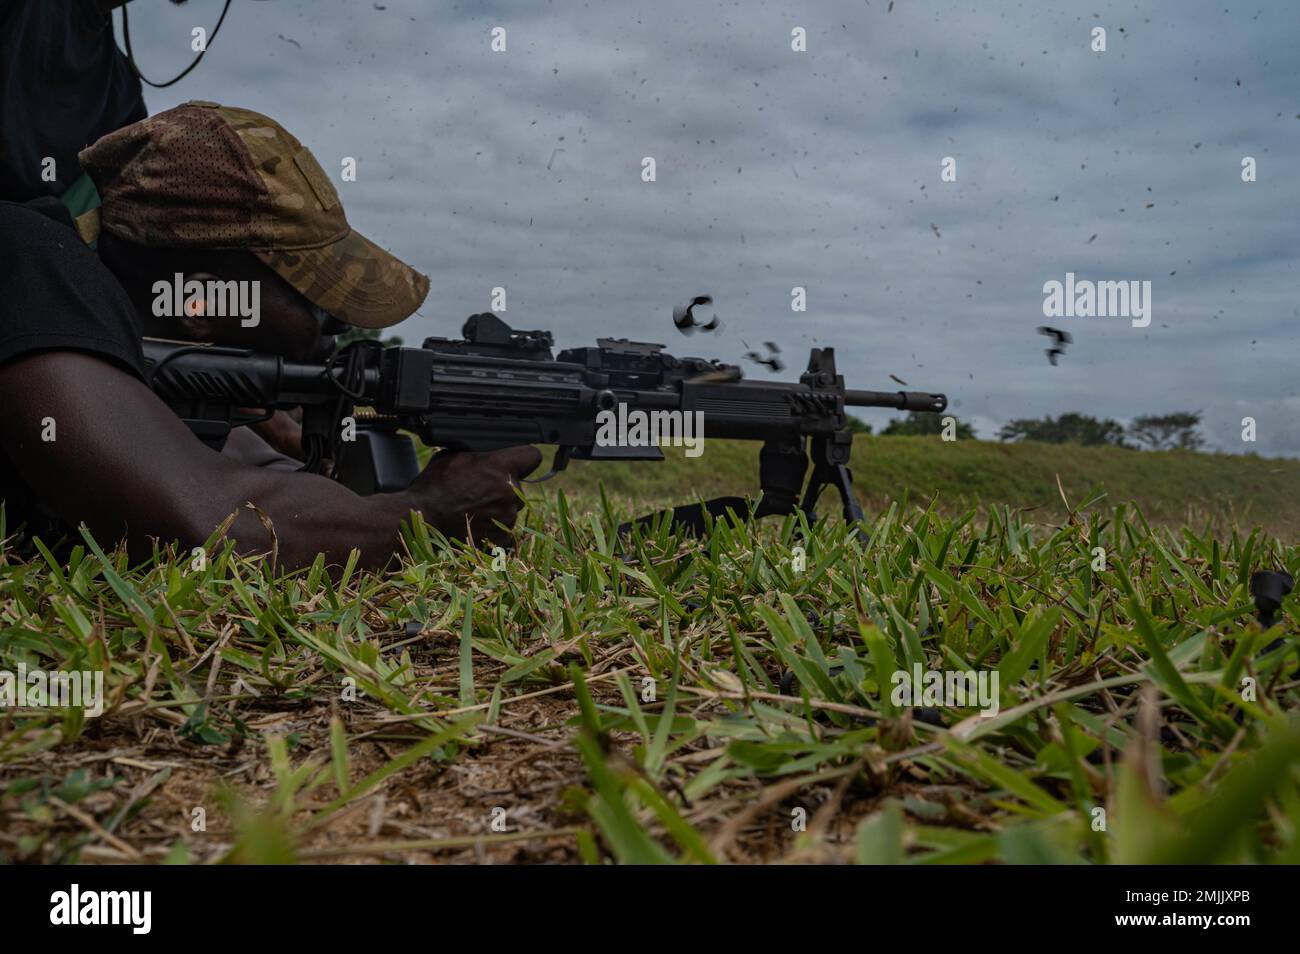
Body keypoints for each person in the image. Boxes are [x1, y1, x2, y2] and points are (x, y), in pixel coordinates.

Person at [0, 101, 541, 568]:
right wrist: (431, 515)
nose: (337, 328)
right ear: (201, 303)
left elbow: (180, 446)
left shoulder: (93, 313)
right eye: (319, 305)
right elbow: (203, 527)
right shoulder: (31, 261)